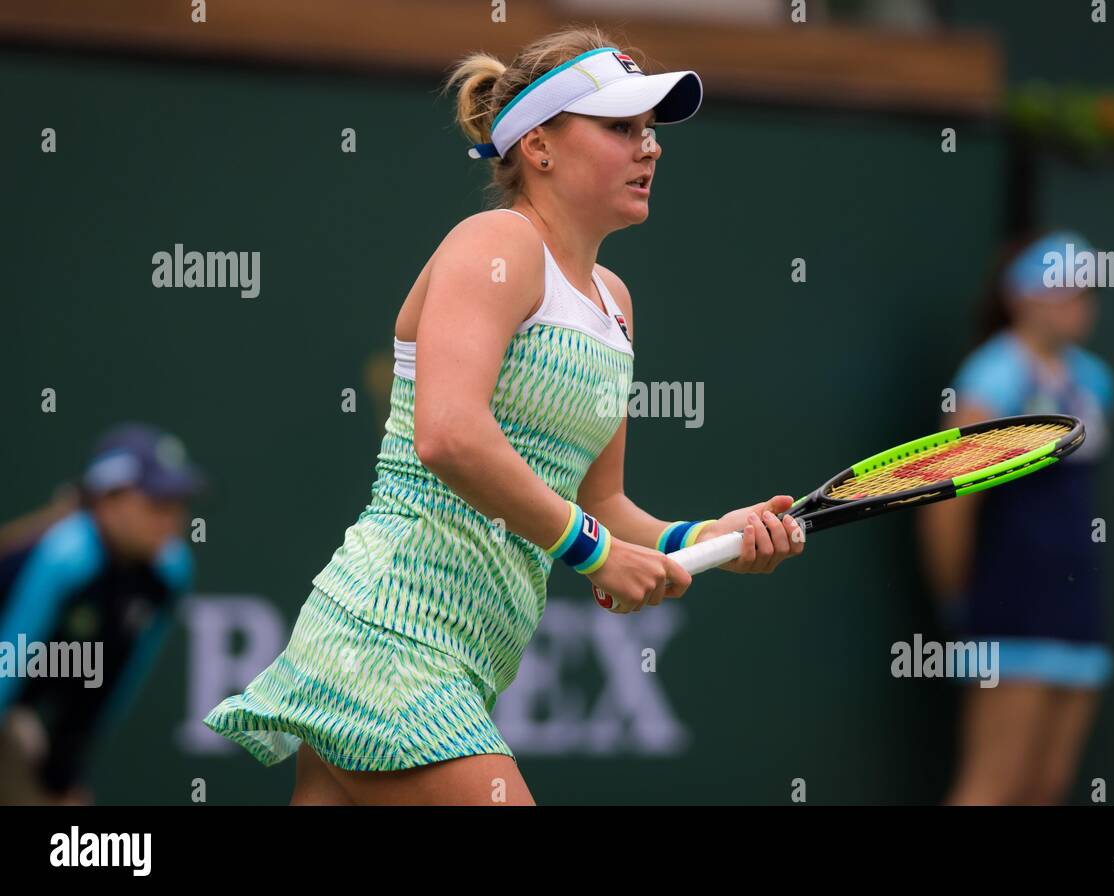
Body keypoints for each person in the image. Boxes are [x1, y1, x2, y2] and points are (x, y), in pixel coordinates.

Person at [203, 26, 805, 806]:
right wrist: (594, 555)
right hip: (389, 640)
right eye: (620, 128)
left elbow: (603, 505)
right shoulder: (495, 245)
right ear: (541, 147)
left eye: (649, 131)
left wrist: (715, 538)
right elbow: (448, 433)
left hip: (462, 661)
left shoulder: (614, 304)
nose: (648, 148)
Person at [917, 231, 1114, 805]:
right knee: (992, 787)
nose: (1079, 300)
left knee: (1045, 787)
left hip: (1077, 603)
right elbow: (947, 503)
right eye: (1063, 288)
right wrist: (962, 595)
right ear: (1022, 297)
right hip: (1009, 603)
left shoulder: (1096, 382)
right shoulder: (991, 374)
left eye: (1085, 289)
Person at [0, 423, 204, 804]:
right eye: (156, 503)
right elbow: (7, 663)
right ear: (107, 502)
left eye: (178, 505)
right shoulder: (66, 557)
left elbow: (111, 684)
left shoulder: (169, 572)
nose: (171, 520)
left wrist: (61, 775)